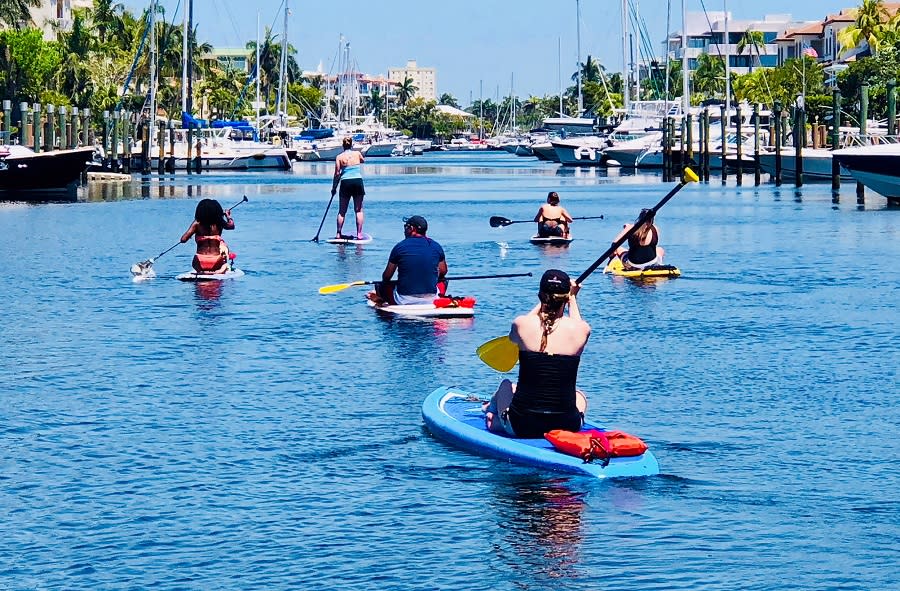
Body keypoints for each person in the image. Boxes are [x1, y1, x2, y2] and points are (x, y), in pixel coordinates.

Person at [484, 269, 591, 439]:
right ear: (565, 298)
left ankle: (492, 415)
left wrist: (548, 300)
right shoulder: (582, 330)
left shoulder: (521, 324)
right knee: (580, 396)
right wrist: (572, 299)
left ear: (540, 296)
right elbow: (579, 326)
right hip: (567, 425)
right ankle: (497, 416)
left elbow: (519, 331)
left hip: (523, 425)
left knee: (506, 385)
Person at [370, 215, 447, 306]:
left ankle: (379, 298)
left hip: (404, 300)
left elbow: (387, 277)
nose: (404, 231)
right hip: (431, 299)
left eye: (405, 227)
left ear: (411, 229)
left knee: (380, 286)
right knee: (444, 281)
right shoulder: (436, 246)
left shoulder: (399, 247)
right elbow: (443, 271)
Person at [180, 198, 234, 274]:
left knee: (197, 263)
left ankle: (203, 272)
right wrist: (228, 216)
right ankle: (218, 271)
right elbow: (231, 226)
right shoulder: (219, 222)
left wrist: (192, 234)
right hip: (216, 260)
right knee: (225, 263)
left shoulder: (197, 224)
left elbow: (183, 240)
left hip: (199, 261)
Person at [332, 136, 366, 240]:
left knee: (342, 211)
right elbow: (362, 160)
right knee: (358, 210)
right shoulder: (357, 153)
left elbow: (337, 174)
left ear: (343, 145)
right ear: (351, 145)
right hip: (357, 181)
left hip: (345, 183)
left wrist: (334, 188)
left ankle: (338, 233)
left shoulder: (339, 157)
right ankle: (359, 234)